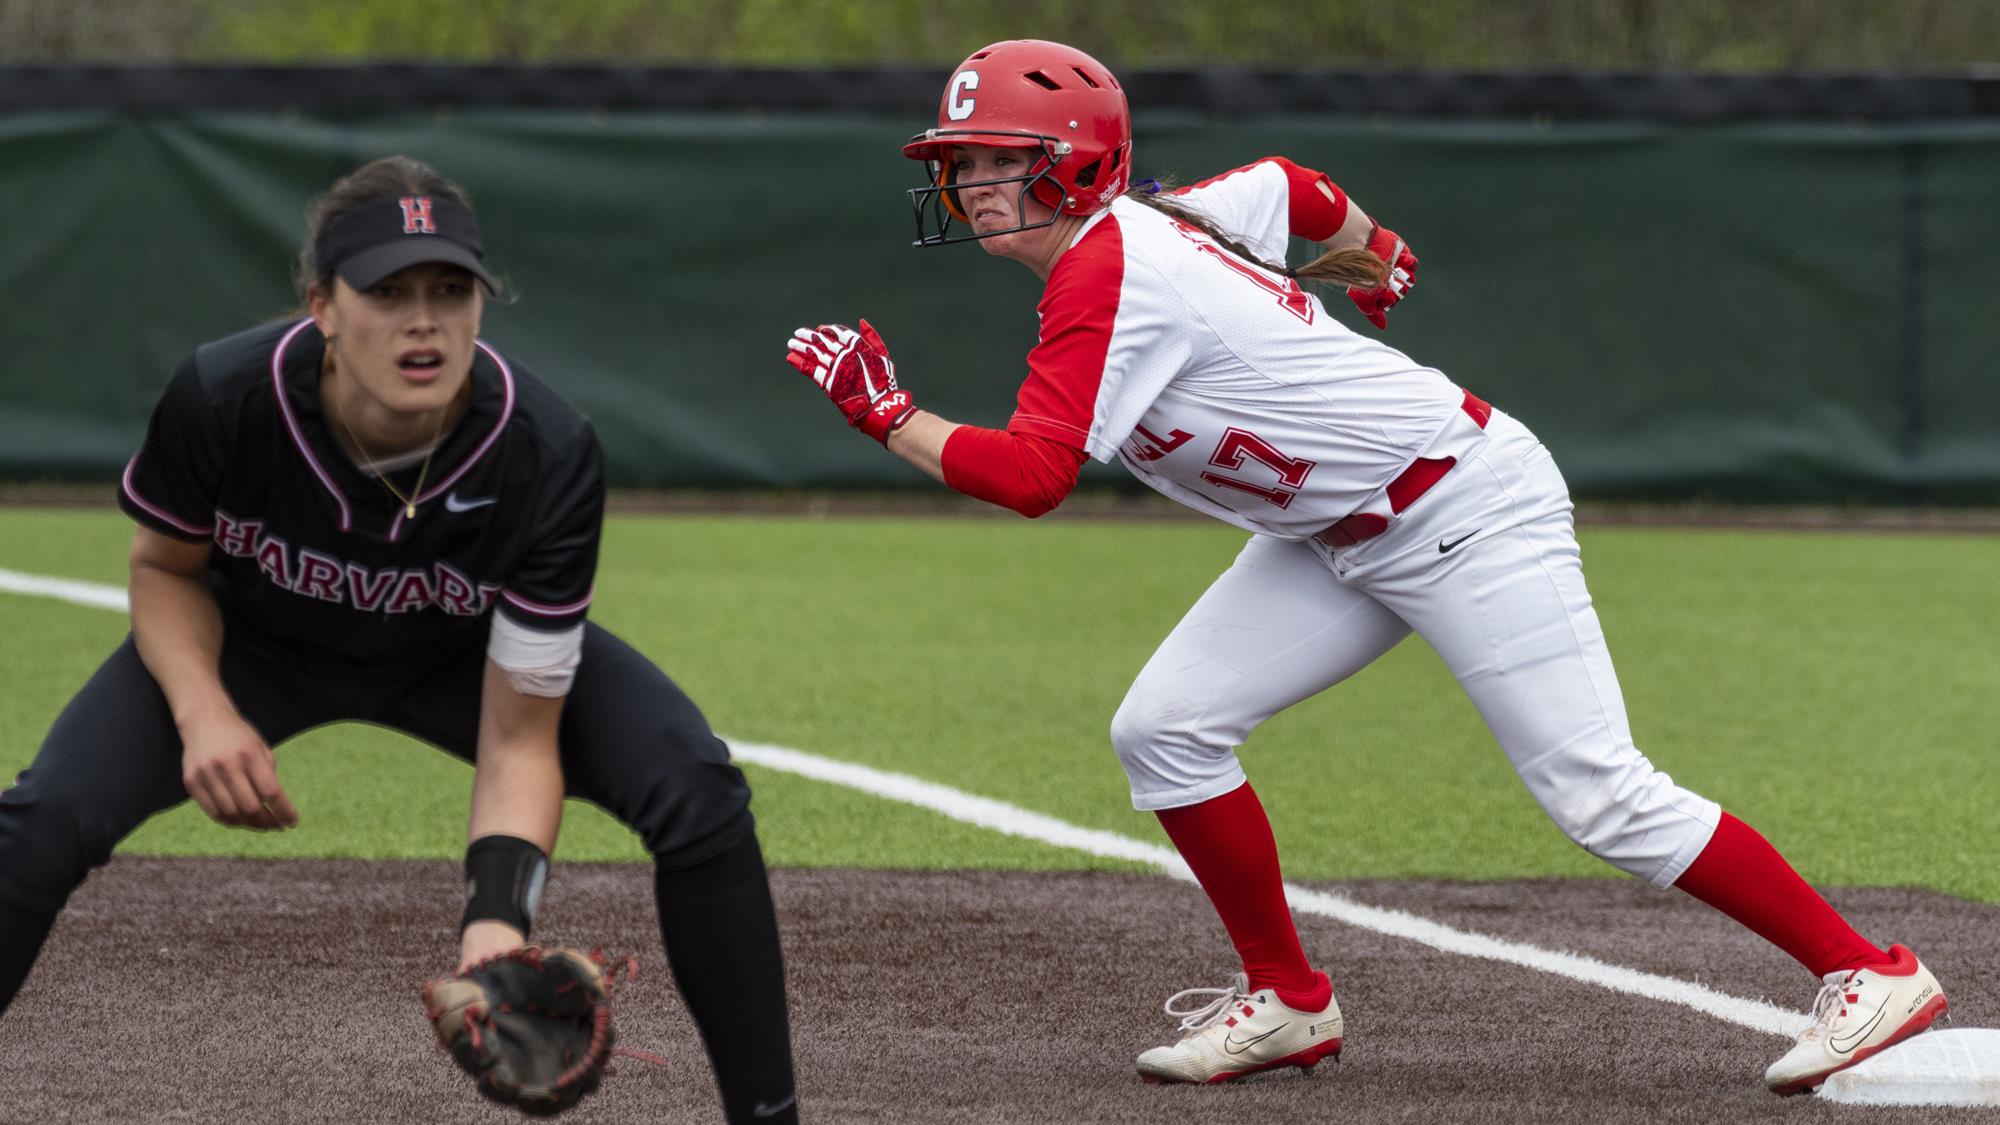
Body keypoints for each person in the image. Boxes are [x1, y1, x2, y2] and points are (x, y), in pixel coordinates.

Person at [782, 38, 1947, 1095]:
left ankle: (1871, 970)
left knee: (1595, 791)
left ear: (1079, 168)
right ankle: (1288, 1001)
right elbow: (1291, 188)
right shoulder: (1168, 213)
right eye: (962, 162)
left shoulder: (1104, 272)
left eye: (999, 160)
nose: (972, 184)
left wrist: (884, 414)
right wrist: (1367, 245)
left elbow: (1029, 477)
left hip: (1465, 506)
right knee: (1165, 731)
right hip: (1334, 536)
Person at [0, 156, 800, 1125]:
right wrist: (203, 710)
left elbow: (518, 738)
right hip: (252, 643)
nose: (424, 319)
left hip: (456, 655)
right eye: (387, 291)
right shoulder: (225, 395)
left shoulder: (544, 451)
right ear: (322, 308)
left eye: (450, 290)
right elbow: (163, 568)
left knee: (695, 784)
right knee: (42, 820)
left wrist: (494, 922)